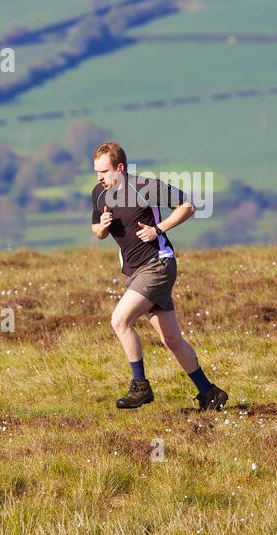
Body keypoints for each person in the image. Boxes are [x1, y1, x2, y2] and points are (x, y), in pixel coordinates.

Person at [90, 141, 228, 411]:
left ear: (120, 168)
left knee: (119, 321)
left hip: (158, 265)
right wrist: (103, 229)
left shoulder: (145, 187)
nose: (100, 178)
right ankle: (209, 392)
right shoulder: (98, 194)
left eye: (104, 172)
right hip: (133, 271)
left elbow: (187, 206)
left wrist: (158, 229)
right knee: (171, 340)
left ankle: (140, 386)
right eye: (96, 172)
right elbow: (96, 229)